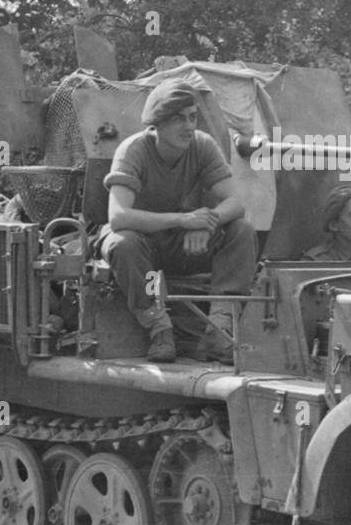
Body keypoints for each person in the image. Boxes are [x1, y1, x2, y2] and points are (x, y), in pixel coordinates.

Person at [99, 81, 256, 363]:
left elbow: (236, 203)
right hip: (144, 249)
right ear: (157, 123)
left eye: (192, 117)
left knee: (241, 231)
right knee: (123, 243)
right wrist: (184, 220)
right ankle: (159, 330)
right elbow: (119, 216)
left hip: (185, 247)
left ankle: (219, 330)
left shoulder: (202, 146)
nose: (188, 126)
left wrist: (206, 223)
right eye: (177, 119)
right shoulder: (133, 150)